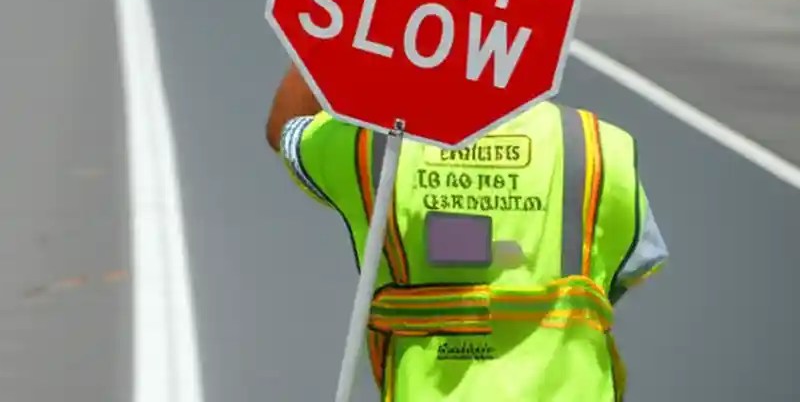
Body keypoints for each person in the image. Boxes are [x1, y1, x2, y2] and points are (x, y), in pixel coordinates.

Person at [266, 63, 668, 401]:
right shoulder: (595, 146)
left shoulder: (375, 146)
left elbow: (287, 130)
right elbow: (630, 266)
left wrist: (335, 36)